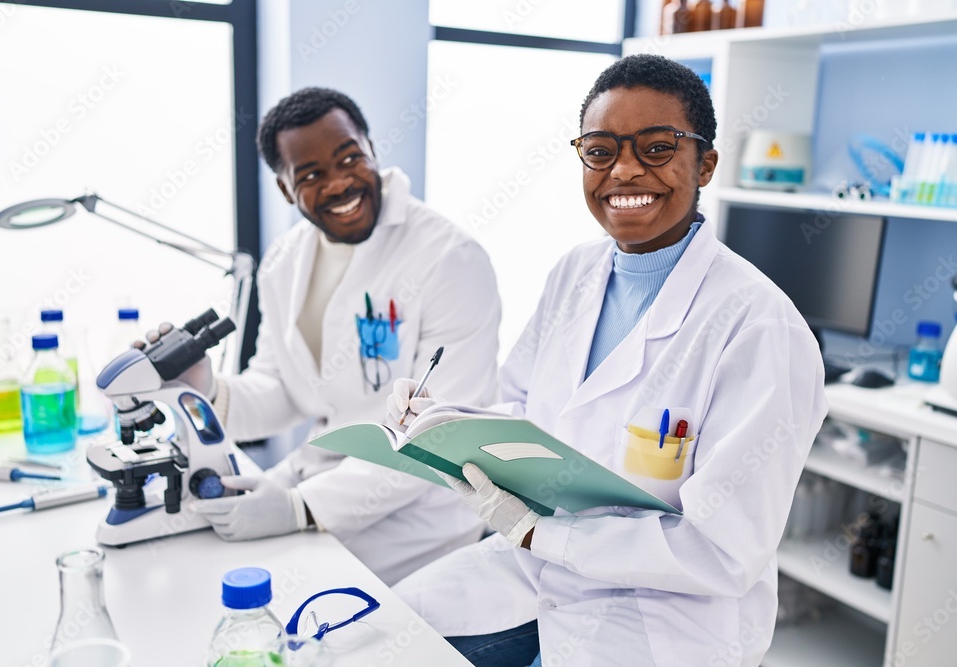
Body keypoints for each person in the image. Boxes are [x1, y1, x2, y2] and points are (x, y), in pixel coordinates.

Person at [387, 54, 828, 666]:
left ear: (705, 163)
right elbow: (522, 405)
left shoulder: (758, 327)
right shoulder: (575, 271)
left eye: (656, 148)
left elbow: (723, 549)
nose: (623, 170)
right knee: (378, 637)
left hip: (663, 618)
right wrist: (446, 423)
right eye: (600, 151)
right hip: (531, 569)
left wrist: (546, 533)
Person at [154, 87, 501, 586]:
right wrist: (208, 387)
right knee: (205, 567)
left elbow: (441, 436)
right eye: (312, 174)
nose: (341, 183)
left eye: (350, 158)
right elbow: (282, 388)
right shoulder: (285, 260)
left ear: (372, 150)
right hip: (319, 478)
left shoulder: (450, 257)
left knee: (295, 598)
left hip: (422, 516)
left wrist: (302, 508)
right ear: (284, 188)